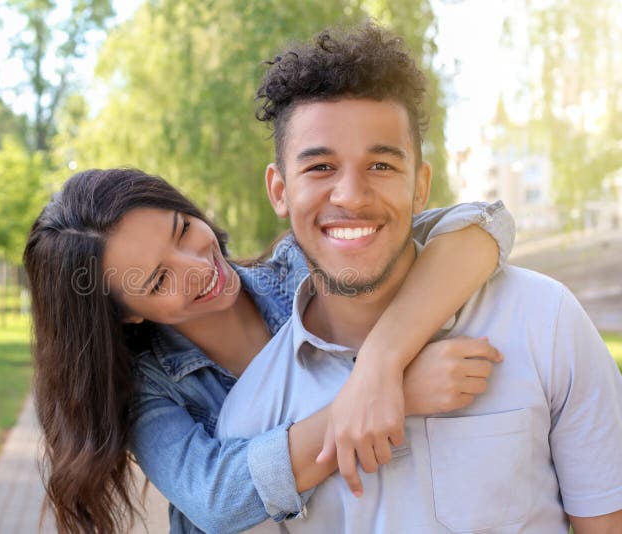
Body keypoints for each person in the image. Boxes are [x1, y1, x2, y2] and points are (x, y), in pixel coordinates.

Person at [215, 23, 622, 533]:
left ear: (421, 185)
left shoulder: (544, 320)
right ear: (279, 190)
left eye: (381, 165)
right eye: (320, 167)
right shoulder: (252, 419)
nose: (351, 196)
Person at [24, 168, 512, 533]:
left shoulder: (304, 268)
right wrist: (396, 394)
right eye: (158, 279)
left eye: (181, 230)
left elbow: (481, 225)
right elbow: (216, 496)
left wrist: (382, 363)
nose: (197, 264)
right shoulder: (149, 389)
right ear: (126, 313)